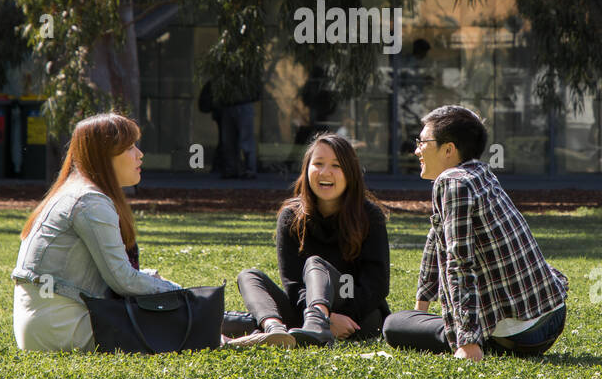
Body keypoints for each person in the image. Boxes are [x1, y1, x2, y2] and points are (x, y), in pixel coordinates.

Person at [383, 106, 569, 362]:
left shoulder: (452, 183)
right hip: (552, 316)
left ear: (448, 150)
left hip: (519, 335)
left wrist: (468, 341)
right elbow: (435, 238)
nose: (416, 150)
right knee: (410, 320)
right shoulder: (478, 174)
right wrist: (421, 310)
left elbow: (459, 263)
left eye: (422, 142)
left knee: (393, 325)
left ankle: (476, 338)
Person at [12, 113, 181, 352]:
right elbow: (123, 281)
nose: (140, 154)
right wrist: (180, 293)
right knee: (177, 322)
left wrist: (154, 281)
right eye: (129, 147)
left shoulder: (76, 191)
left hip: (44, 325)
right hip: (63, 327)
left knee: (176, 316)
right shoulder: (89, 201)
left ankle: (239, 322)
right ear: (104, 156)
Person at [225, 133, 390, 348]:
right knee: (249, 276)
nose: (325, 172)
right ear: (307, 169)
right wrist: (324, 316)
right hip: (304, 312)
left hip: (357, 316)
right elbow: (293, 285)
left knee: (315, 263)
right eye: (318, 163)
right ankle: (274, 330)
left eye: (336, 165)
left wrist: (330, 317)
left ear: (350, 173)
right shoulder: (291, 216)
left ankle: (313, 324)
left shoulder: (370, 216)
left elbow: (376, 285)